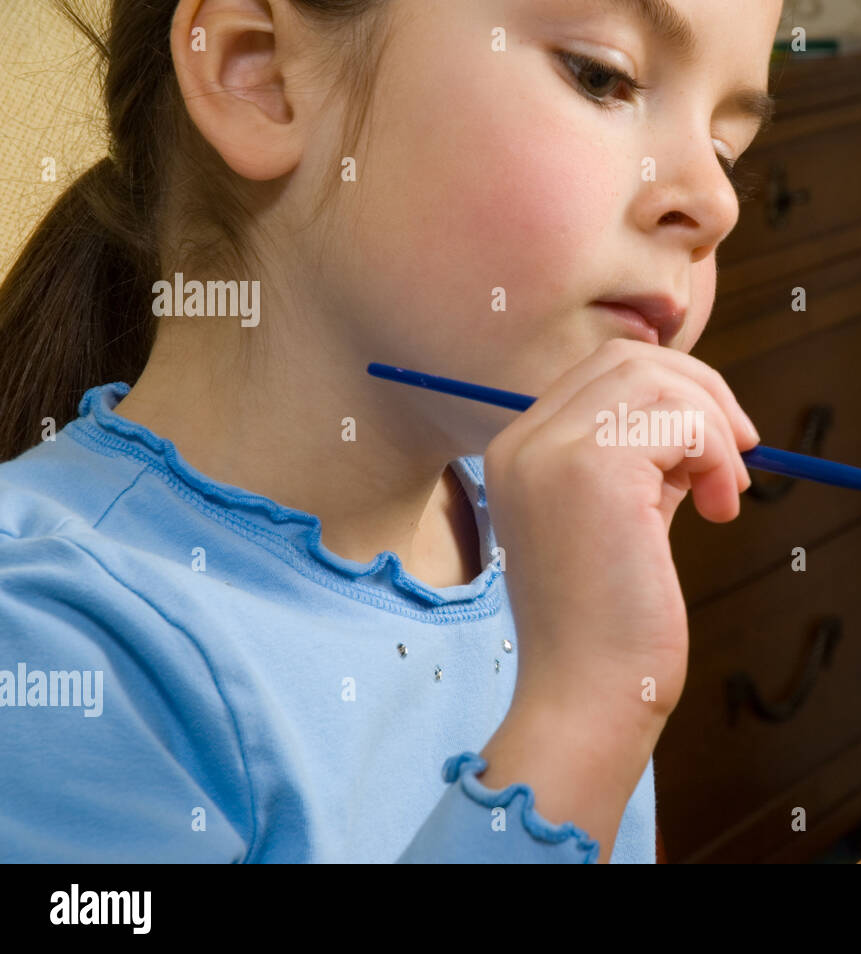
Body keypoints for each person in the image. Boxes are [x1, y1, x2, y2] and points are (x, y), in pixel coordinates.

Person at [0, 0, 782, 862]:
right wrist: (583, 711)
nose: (716, 204)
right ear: (256, 71)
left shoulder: (551, 533)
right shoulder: (48, 646)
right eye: (603, 76)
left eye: (726, 154)